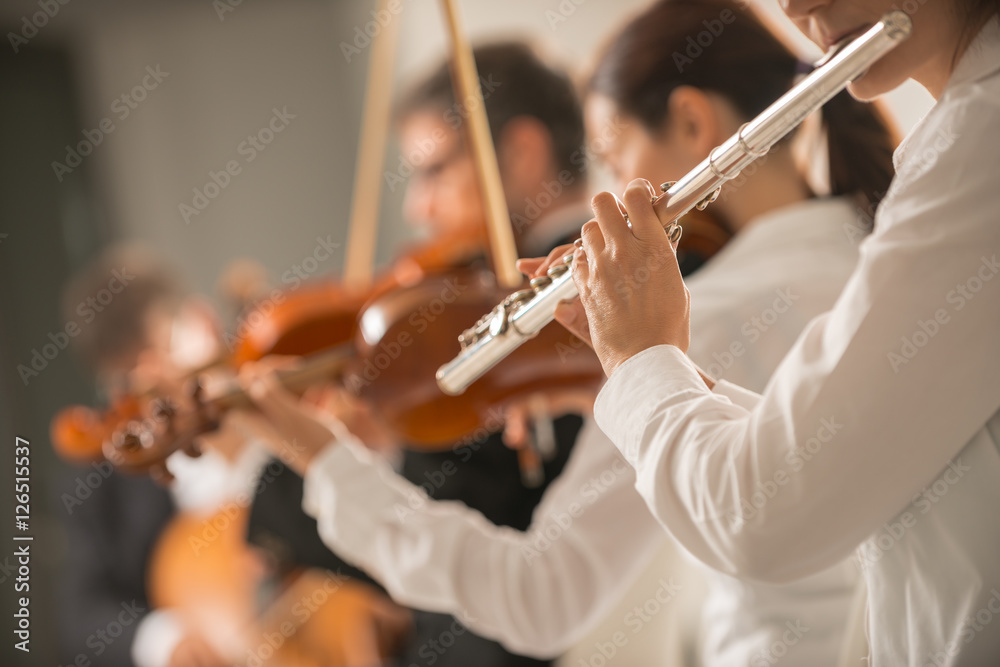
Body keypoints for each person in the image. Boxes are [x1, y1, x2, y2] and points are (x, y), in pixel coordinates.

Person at [233, 2, 901, 664]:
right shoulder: (882, 248)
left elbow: (544, 597)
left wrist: (325, 458)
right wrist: (607, 392)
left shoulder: (712, 313)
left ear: (693, 123)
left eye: (614, 162)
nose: (605, 194)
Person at [531, 0, 1000, 665]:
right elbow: (835, 450)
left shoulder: (980, 148)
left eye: (614, 157)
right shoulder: (956, 143)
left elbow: (760, 514)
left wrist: (641, 360)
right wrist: (654, 366)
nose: (795, 6)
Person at [243, 40, 598, 667]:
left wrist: (338, 453)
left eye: (434, 170)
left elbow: (466, 532)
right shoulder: (484, 296)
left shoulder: (576, 297)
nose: (416, 207)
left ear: (520, 153)